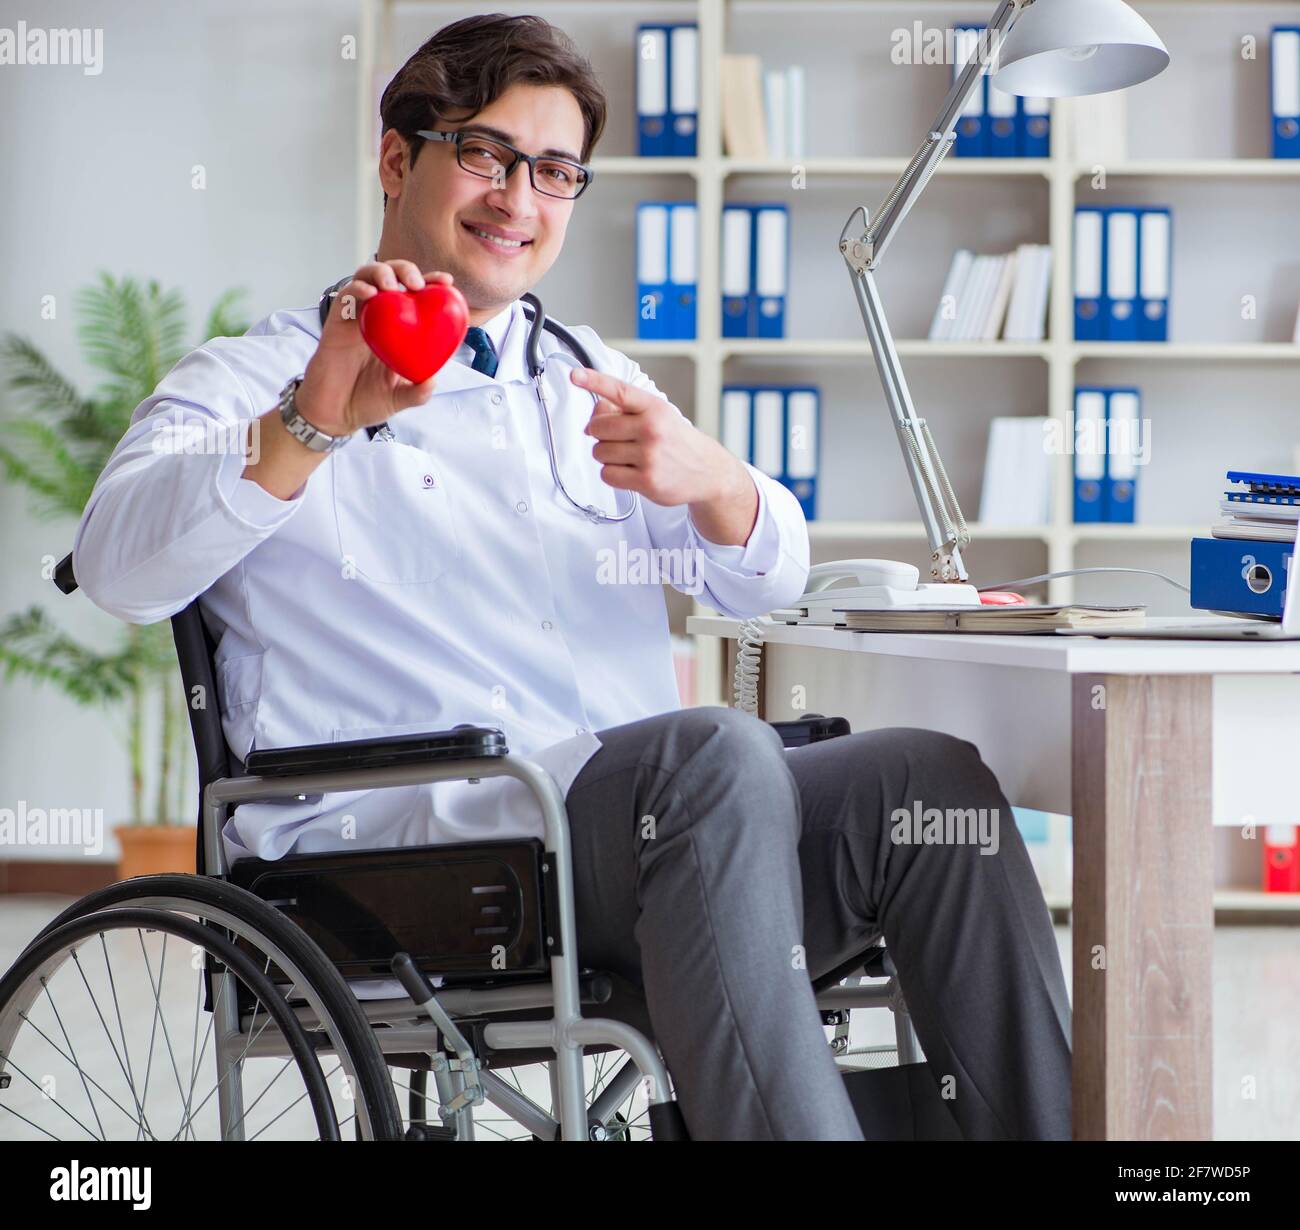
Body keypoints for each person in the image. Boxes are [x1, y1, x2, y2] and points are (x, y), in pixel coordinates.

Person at [74, 12, 1070, 1140]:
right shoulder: (256, 375)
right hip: (424, 858)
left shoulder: (588, 372)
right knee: (710, 754)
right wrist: (311, 421)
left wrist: (713, 482)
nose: (519, 199)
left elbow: (767, 578)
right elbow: (119, 566)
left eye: (553, 172)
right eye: (486, 155)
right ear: (400, 158)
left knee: (929, 786)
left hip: (658, 836)